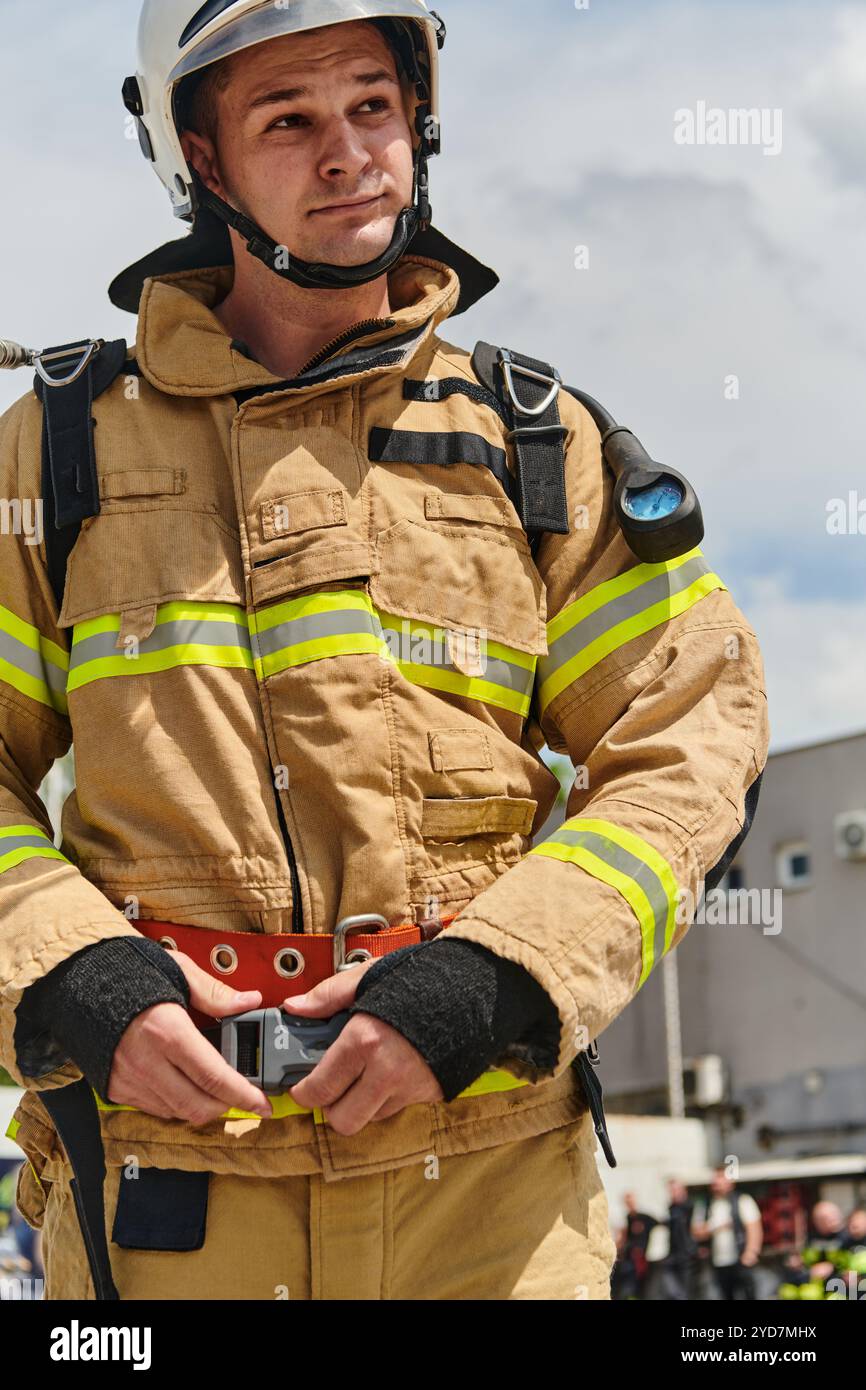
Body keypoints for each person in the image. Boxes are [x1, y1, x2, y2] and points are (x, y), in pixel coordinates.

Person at [0, 0, 769, 1301]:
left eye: (371, 104)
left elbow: (690, 745)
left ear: (419, 117)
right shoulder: (52, 450)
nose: (348, 151)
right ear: (201, 160)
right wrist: (71, 971)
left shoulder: (543, 444)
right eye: (286, 120)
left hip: (490, 1197)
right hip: (166, 1195)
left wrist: (493, 975)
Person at [693, 1167, 763, 1300]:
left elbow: (754, 1227)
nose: (717, 1183)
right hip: (718, 1261)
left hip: (740, 1258)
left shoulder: (742, 1200)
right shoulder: (705, 1203)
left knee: (748, 1293)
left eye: (721, 1179)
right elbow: (697, 1231)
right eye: (715, 1179)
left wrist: (751, 1252)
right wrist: (717, 1226)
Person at [613, 1192, 658, 1300]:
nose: (629, 1204)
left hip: (642, 1259)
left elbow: (658, 1228)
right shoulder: (628, 1217)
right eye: (627, 1202)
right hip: (630, 1258)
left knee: (640, 1286)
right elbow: (626, 1237)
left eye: (631, 1201)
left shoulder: (645, 1217)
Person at [660, 1178, 697, 1300]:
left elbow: (696, 1229)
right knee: (673, 1289)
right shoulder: (672, 1208)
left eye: (675, 1190)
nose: (673, 1193)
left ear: (683, 1191)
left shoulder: (690, 1206)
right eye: (671, 1190)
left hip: (687, 1254)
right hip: (673, 1254)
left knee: (686, 1291)